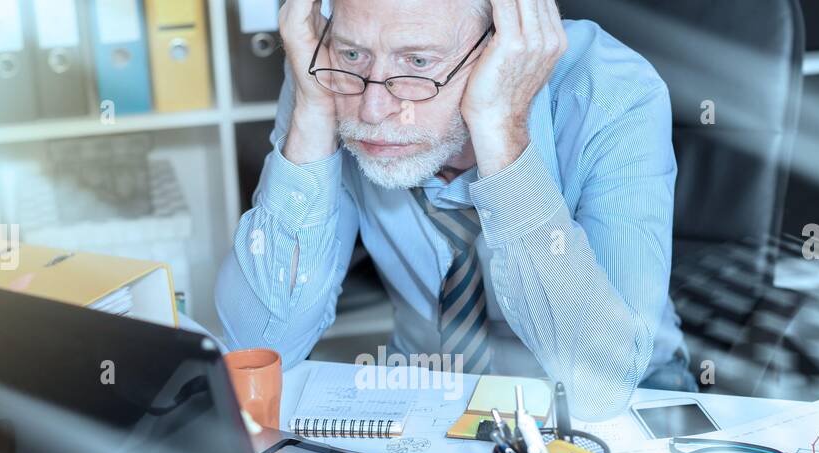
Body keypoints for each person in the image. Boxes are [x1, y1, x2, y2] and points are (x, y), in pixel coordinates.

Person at [215, 0, 695, 420]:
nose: (374, 109)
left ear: (507, 46)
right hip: (424, 395)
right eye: (354, 53)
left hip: (630, 406)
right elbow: (259, 350)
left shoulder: (612, 91)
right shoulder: (330, 80)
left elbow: (600, 387)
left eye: (418, 61)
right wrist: (312, 113)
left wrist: (502, 131)